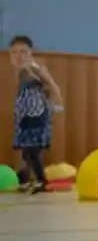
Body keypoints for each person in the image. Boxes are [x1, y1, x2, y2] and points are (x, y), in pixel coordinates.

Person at [9, 36, 62, 194]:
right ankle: (25, 180)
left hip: (37, 118)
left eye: (23, 51)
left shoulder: (34, 68)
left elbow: (53, 88)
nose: (19, 55)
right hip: (26, 118)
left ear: (30, 53)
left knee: (32, 151)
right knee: (26, 152)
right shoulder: (21, 72)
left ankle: (41, 181)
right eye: (15, 52)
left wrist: (55, 105)